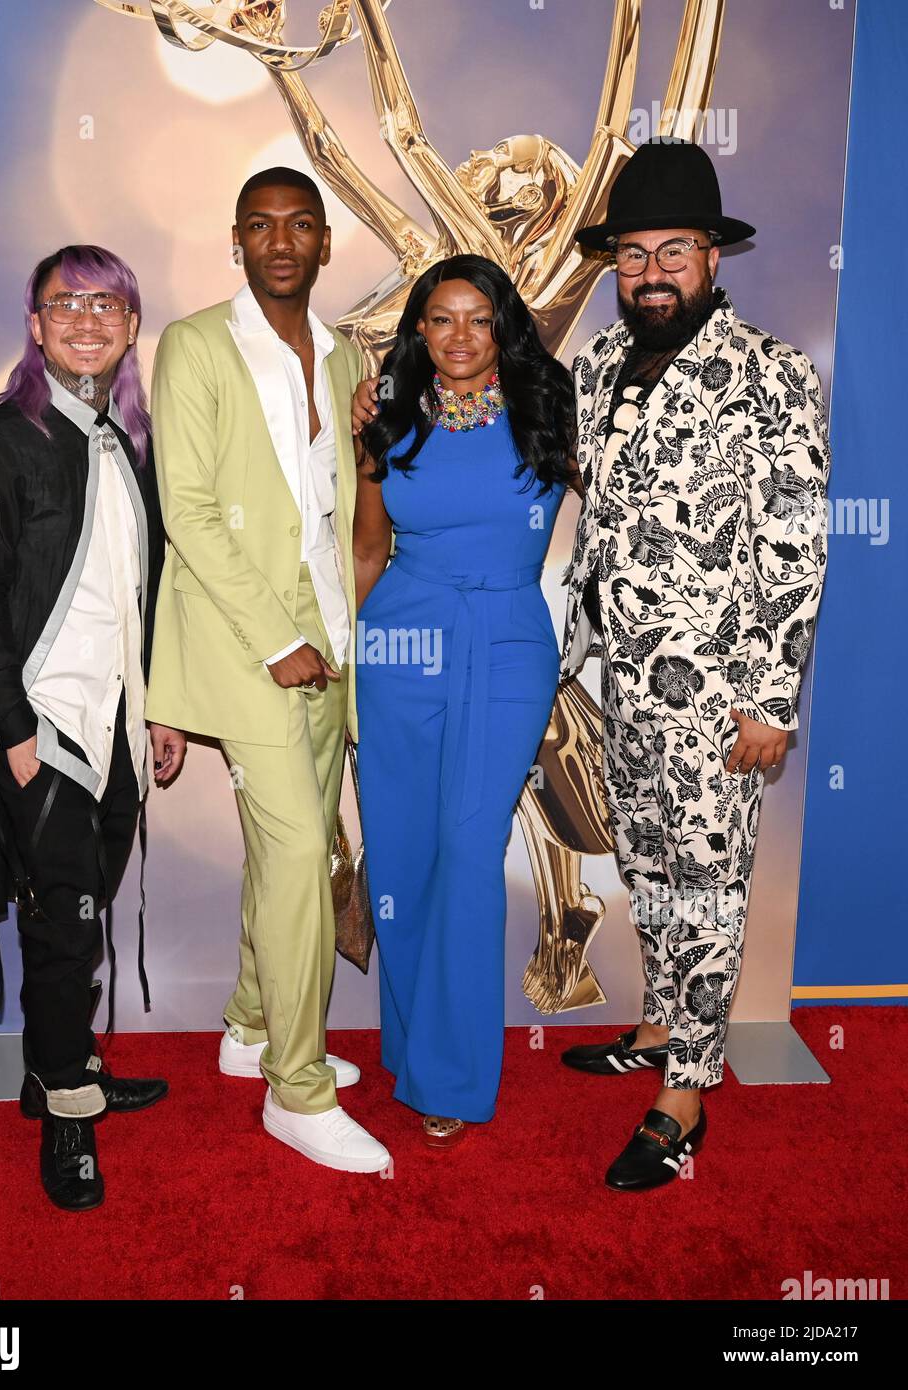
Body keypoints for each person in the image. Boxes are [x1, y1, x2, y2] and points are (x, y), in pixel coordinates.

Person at [557, 138, 830, 1190]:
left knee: (708, 885)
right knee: (647, 865)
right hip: (619, 683)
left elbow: (795, 541)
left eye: (673, 251)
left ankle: (683, 1095)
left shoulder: (769, 373)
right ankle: (663, 1021)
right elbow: (591, 511)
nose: (650, 273)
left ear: (712, 257)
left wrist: (769, 701)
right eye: (631, 255)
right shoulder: (590, 367)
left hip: (720, 694)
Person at [145, 168, 390, 1174]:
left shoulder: (341, 358)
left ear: (325, 244)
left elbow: (339, 511)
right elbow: (189, 513)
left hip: (330, 640)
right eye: (260, 225)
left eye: (299, 225)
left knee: (286, 853)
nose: (280, 240)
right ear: (234, 239)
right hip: (246, 642)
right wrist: (272, 636)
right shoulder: (194, 345)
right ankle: (297, 1089)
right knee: (297, 855)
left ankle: (250, 1027)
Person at [0, 245, 185, 1211]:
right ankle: (70, 1117)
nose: (87, 319)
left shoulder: (132, 445)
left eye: (108, 305)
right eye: (65, 304)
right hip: (41, 730)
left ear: (130, 328)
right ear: (34, 326)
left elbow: (147, 596)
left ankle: (55, 1067)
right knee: (63, 929)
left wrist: (163, 705)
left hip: (121, 725)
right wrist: (12, 732)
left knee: (74, 916)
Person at [352, 254, 576, 1146]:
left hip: (509, 642)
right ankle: (411, 1048)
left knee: (467, 845)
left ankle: (452, 1075)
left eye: (476, 319)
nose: (457, 337)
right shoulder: (388, 419)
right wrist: (345, 655)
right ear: (418, 331)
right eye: (439, 320)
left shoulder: (551, 408)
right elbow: (370, 550)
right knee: (402, 854)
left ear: (503, 326)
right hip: (399, 639)